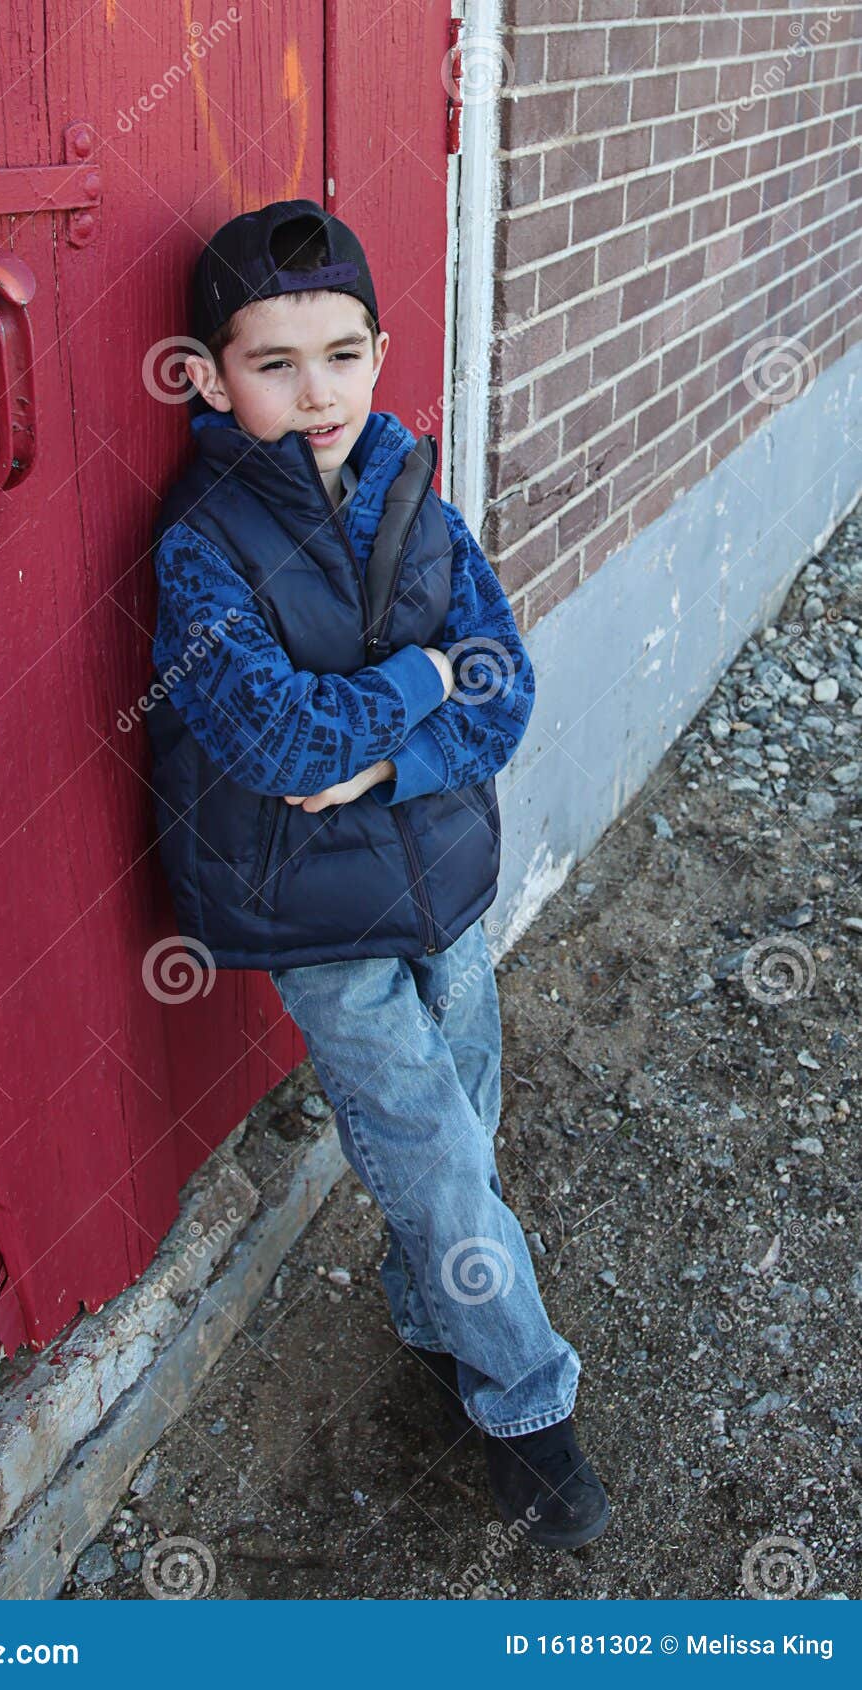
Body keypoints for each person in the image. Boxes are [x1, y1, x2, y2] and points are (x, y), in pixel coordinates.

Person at [144, 198, 609, 1550]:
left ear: (381, 351)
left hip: (442, 869)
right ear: (209, 375)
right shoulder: (204, 540)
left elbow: (505, 686)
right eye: (273, 363)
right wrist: (415, 681)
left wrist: (394, 757)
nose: (317, 391)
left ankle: (430, 1312)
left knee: (464, 1108)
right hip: (315, 908)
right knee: (432, 1150)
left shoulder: (410, 479)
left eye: (342, 354)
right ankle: (527, 1400)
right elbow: (284, 740)